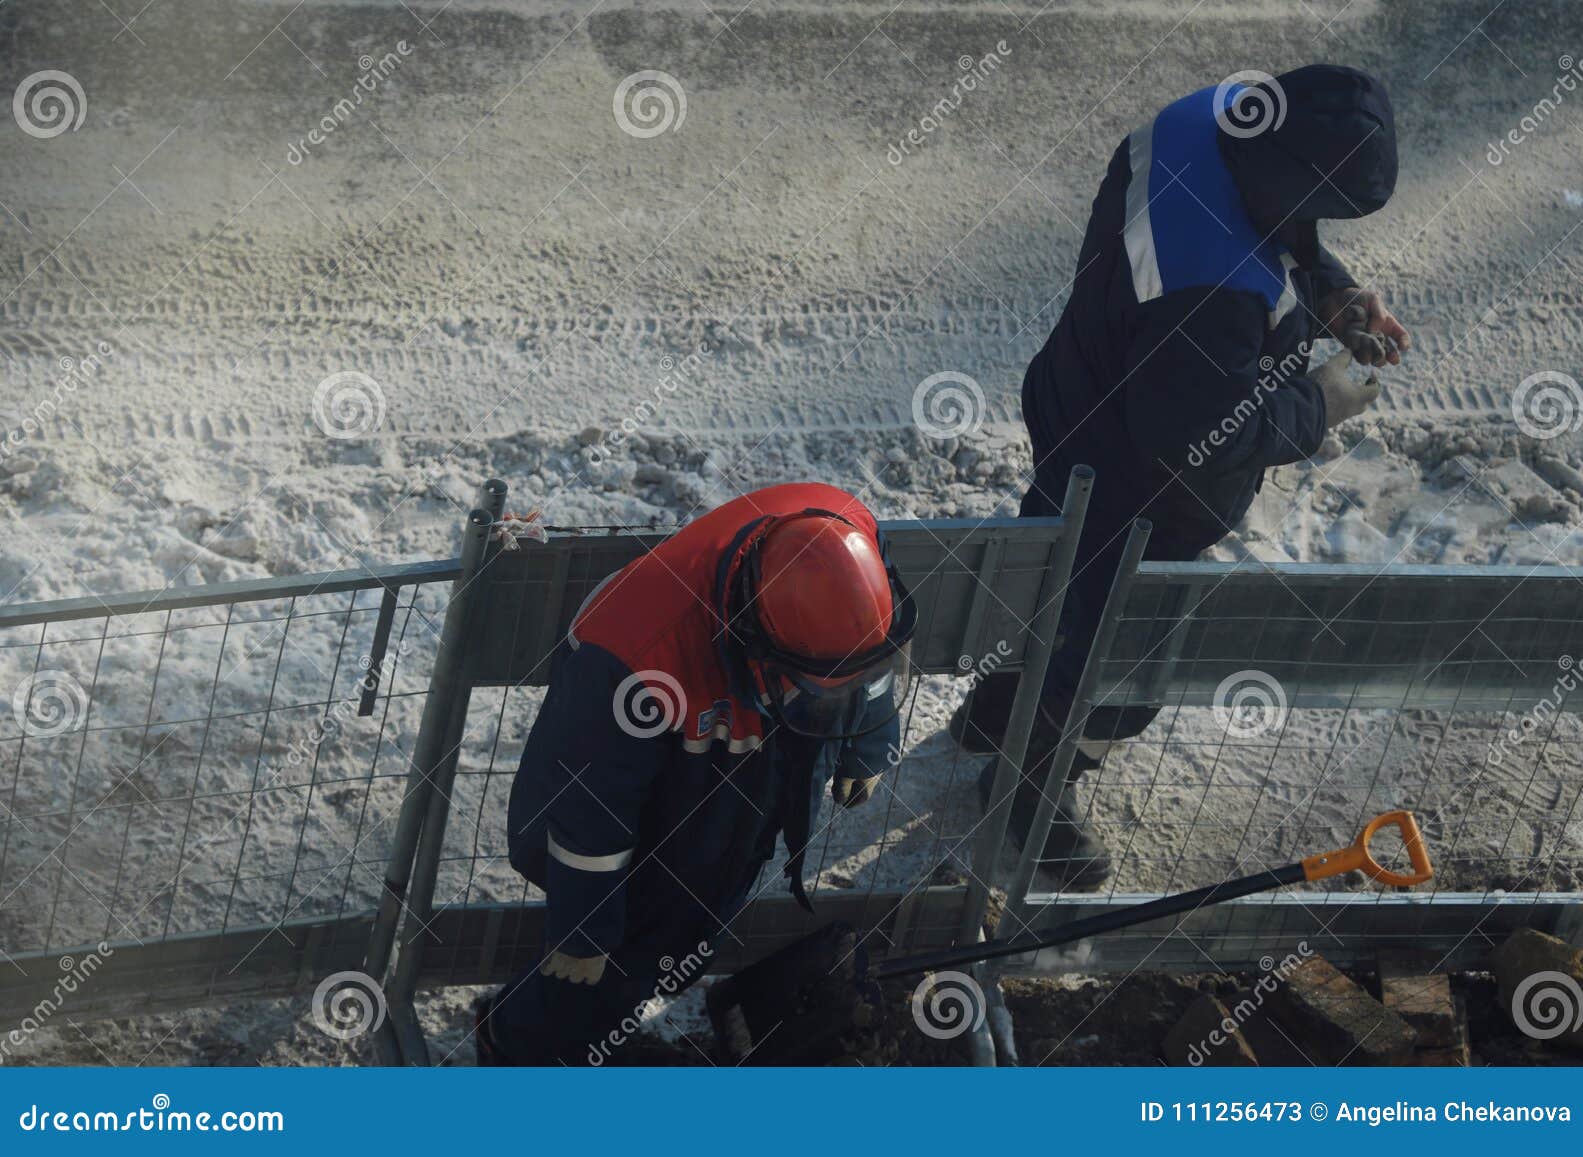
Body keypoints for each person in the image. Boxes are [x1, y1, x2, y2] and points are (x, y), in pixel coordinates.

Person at [955, 64, 1410, 888]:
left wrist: (1333, 290)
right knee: (1129, 660)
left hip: (1077, 397)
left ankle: (996, 712)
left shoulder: (1203, 120)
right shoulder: (1214, 287)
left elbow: (1271, 221)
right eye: (1324, 204)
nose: (1320, 222)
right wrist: (1318, 403)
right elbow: (1199, 432)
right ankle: (1029, 787)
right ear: (1287, 173)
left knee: (1047, 575)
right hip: (1145, 490)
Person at [476, 482, 916, 1065]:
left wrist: (868, 741)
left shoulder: (848, 537)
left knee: (701, 901)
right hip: (680, 766)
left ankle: (626, 992)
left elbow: (867, 665)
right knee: (631, 943)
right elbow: (591, 801)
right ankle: (517, 1050)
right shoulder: (635, 655)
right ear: (758, 646)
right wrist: (583, 931)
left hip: (745, 748)